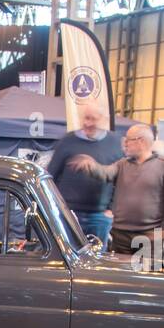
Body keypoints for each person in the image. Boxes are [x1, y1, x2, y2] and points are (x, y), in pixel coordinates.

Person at [68, 123, 164, 254]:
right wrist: (91, 166)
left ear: (141, 141)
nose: (125, 144)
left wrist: (163, 231)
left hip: (150, 237)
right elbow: (105, 173)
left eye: (128, 140)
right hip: (120, 236)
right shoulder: (122, 164)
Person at [47, 102, 123, 247]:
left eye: (93, 119)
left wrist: (110, 209)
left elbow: (120, 179)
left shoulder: (115, 143)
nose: (87, 123)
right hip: (68, 213)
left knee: (96, 261)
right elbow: (51, 176)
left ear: (103, 119)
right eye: (86, 118)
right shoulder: (67, 141)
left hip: (100, 216)